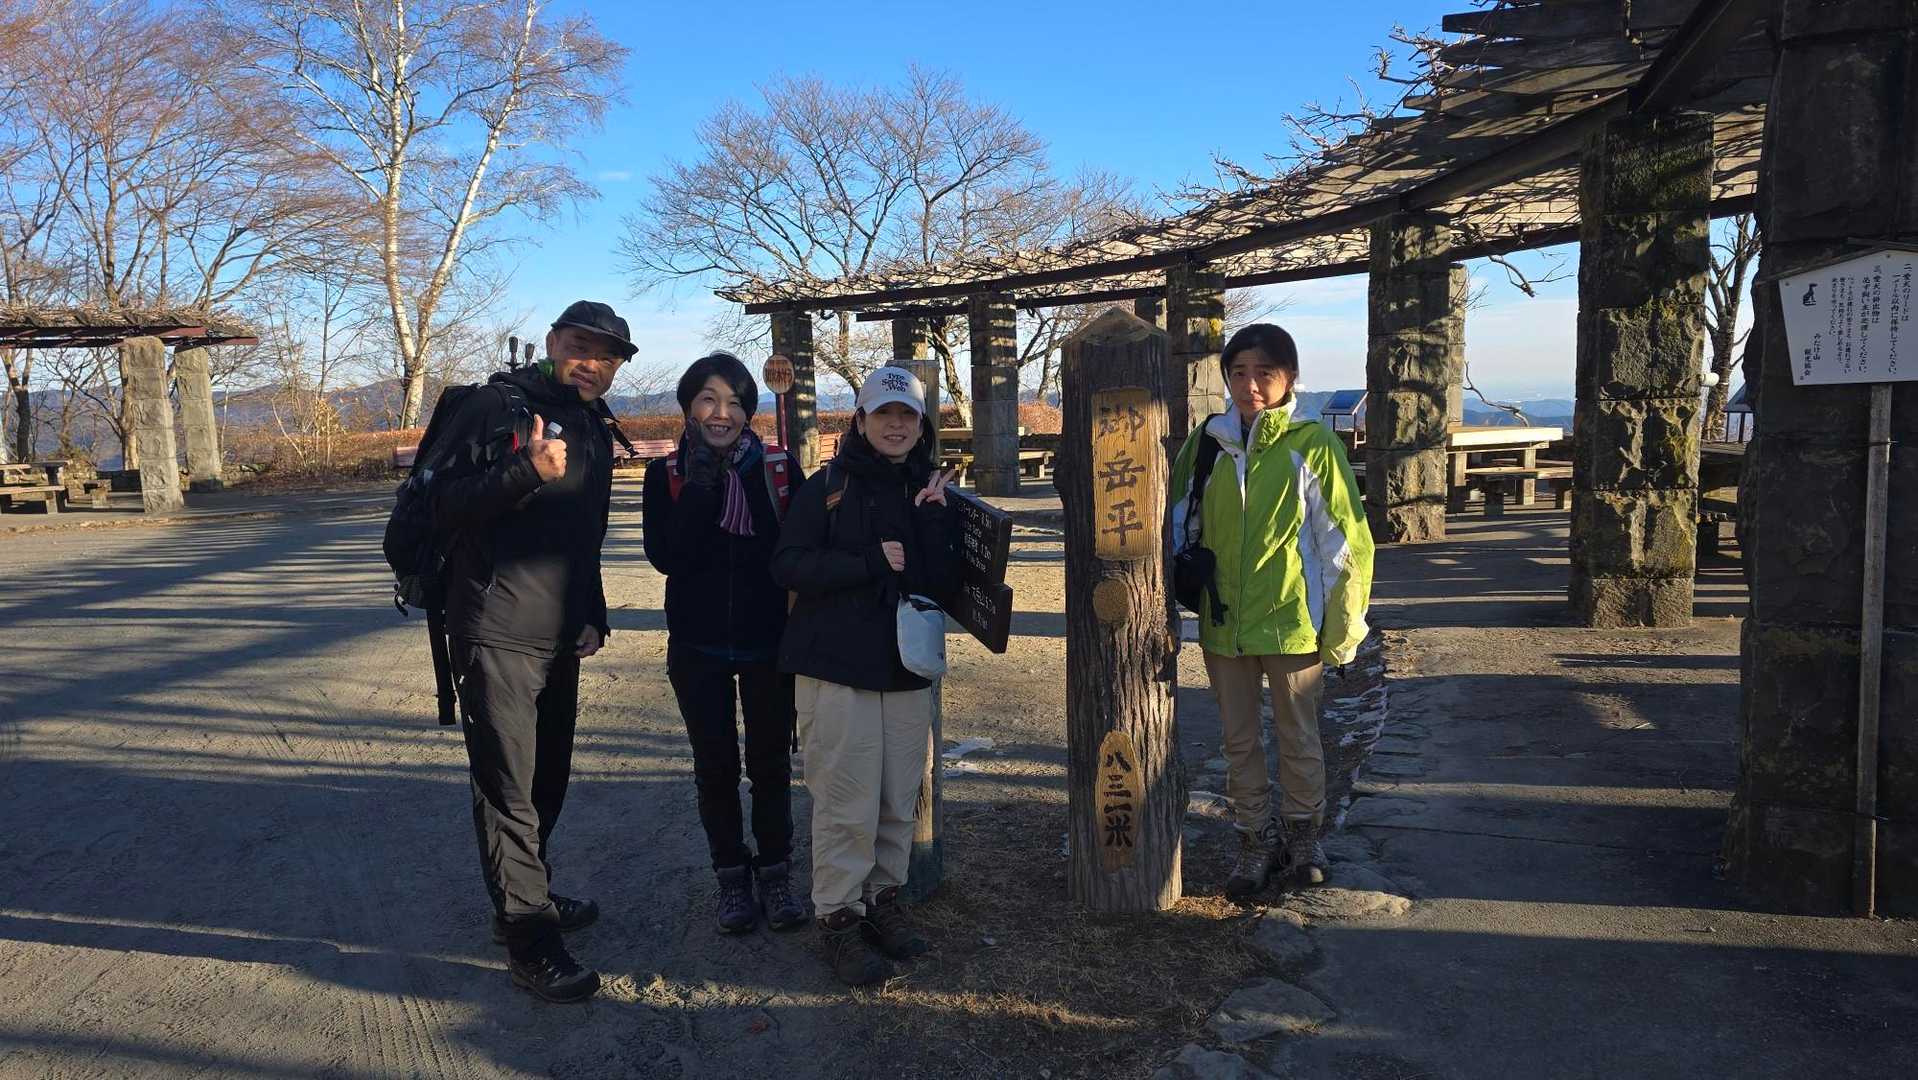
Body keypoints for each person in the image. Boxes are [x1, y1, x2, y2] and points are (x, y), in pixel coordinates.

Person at [432, 300, 632, 1003]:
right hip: (494, 627)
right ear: (552, 342)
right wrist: (525, 471)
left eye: (607, 355)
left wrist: (591, 612)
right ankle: (528, 939)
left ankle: (526, 894)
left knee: (547, 780)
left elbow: (584, 534)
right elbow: (439, 503)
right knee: (508, 789)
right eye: (580, 346)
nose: (591, 362)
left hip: (557, 632)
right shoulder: (495, 407)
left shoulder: (592, 423)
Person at [1168, 323, 1374, 899]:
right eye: (1238, 373)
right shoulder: (1206, 442)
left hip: (1292, 620)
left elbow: (1346, 544)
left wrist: (1343, 630)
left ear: (1289, 378)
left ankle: (1304, 837)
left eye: (1265, 372)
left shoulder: (1312, 444)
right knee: (1238, 741)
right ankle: (1254, 839)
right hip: (1224, 620)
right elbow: (1177, 522)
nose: (1250, 385)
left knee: (1299, 736)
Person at [771, 366, 961, 987]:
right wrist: (868, 562)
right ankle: (838, 917)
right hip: (835, 667)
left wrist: (934, 522)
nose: (896, 425)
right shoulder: (826, 486)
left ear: (922, 425)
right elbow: (788, 565)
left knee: (898, 798)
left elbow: (938, 586)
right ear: (860, 420)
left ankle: (882, 900)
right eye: (884, 414)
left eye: (907, 415)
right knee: (845, 802)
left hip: (904, 668)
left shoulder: (928, 489)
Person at [642, 352, 809, 935]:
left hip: (768, 643)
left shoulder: (777, 467)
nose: (722, 413)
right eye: (709, 399)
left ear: (749, 412)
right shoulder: (665, 474)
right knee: (714, 767)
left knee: (770, 765)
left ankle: (776, 872)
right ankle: (731, 878)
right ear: (688, 406)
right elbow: (667, 556)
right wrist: (701, 486)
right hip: (698, 644)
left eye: (735, 402)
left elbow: (800, 552)